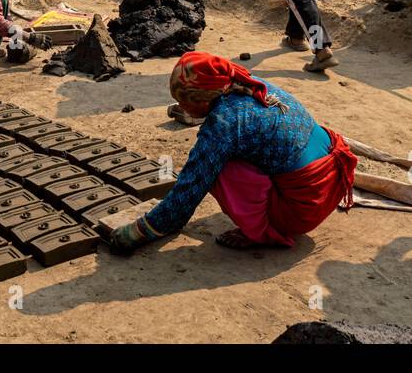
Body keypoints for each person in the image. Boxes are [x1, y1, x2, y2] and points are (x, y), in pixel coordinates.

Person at [107, 52, 357, 253]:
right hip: (333, 180)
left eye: (185, 101)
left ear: (204, 98)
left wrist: (140, 231)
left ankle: (264, 233)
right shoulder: (248, 83)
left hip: (304, 206)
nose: (180, 107)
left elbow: (190, 187)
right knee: (233, 152)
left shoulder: (223, 123)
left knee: (219, 168)